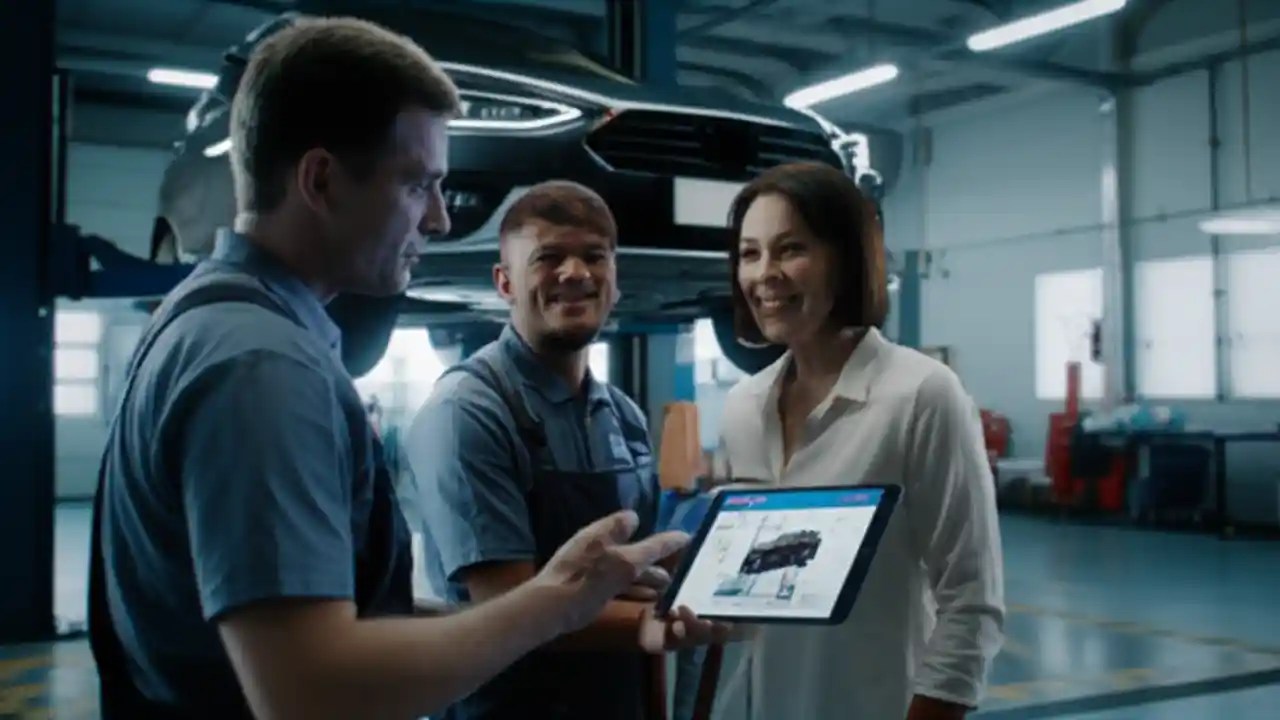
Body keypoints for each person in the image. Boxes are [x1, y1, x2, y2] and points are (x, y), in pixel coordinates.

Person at [89, 16, 694, 720]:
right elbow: (309, 690)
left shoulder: (212, 323)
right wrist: (552, 605)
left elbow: (339, 618)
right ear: (320, 181)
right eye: (418, 185)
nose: (436, 219)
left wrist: (550, 602)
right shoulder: (261, 366)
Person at [406, 180, 730, 720]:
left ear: (614, 280)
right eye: (548, 257)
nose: (575, 273)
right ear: (505, 283)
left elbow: (641, 569)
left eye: (593, 256)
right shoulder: (469, 411)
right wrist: (662, 620)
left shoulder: (623, 417)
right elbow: (507, 607)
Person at [712, 161, 1005, 720]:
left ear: (844, 260)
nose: (764, 273)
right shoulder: (743, 408)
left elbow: (971, 600)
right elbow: (757, 589)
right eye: (750, 254)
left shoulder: (921, 395)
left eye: (790, 248)